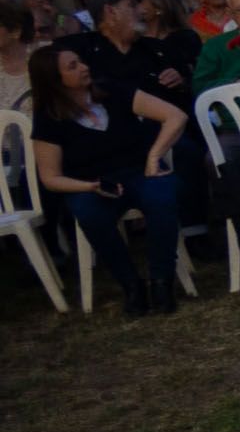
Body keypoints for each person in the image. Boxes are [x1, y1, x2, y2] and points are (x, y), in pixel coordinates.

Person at [25, 42, 184, 315]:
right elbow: (50, 178)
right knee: (88, 213)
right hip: (90, 183)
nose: (84, 68)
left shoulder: (112, 91)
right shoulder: (49, 119)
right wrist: (89, 186)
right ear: (55, 79)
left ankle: (161, 281)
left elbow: (175, 116)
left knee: (162, 197)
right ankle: (131, 285)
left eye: (80, 61)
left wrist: (153, 155)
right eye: (73, 66)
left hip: (138, 171)